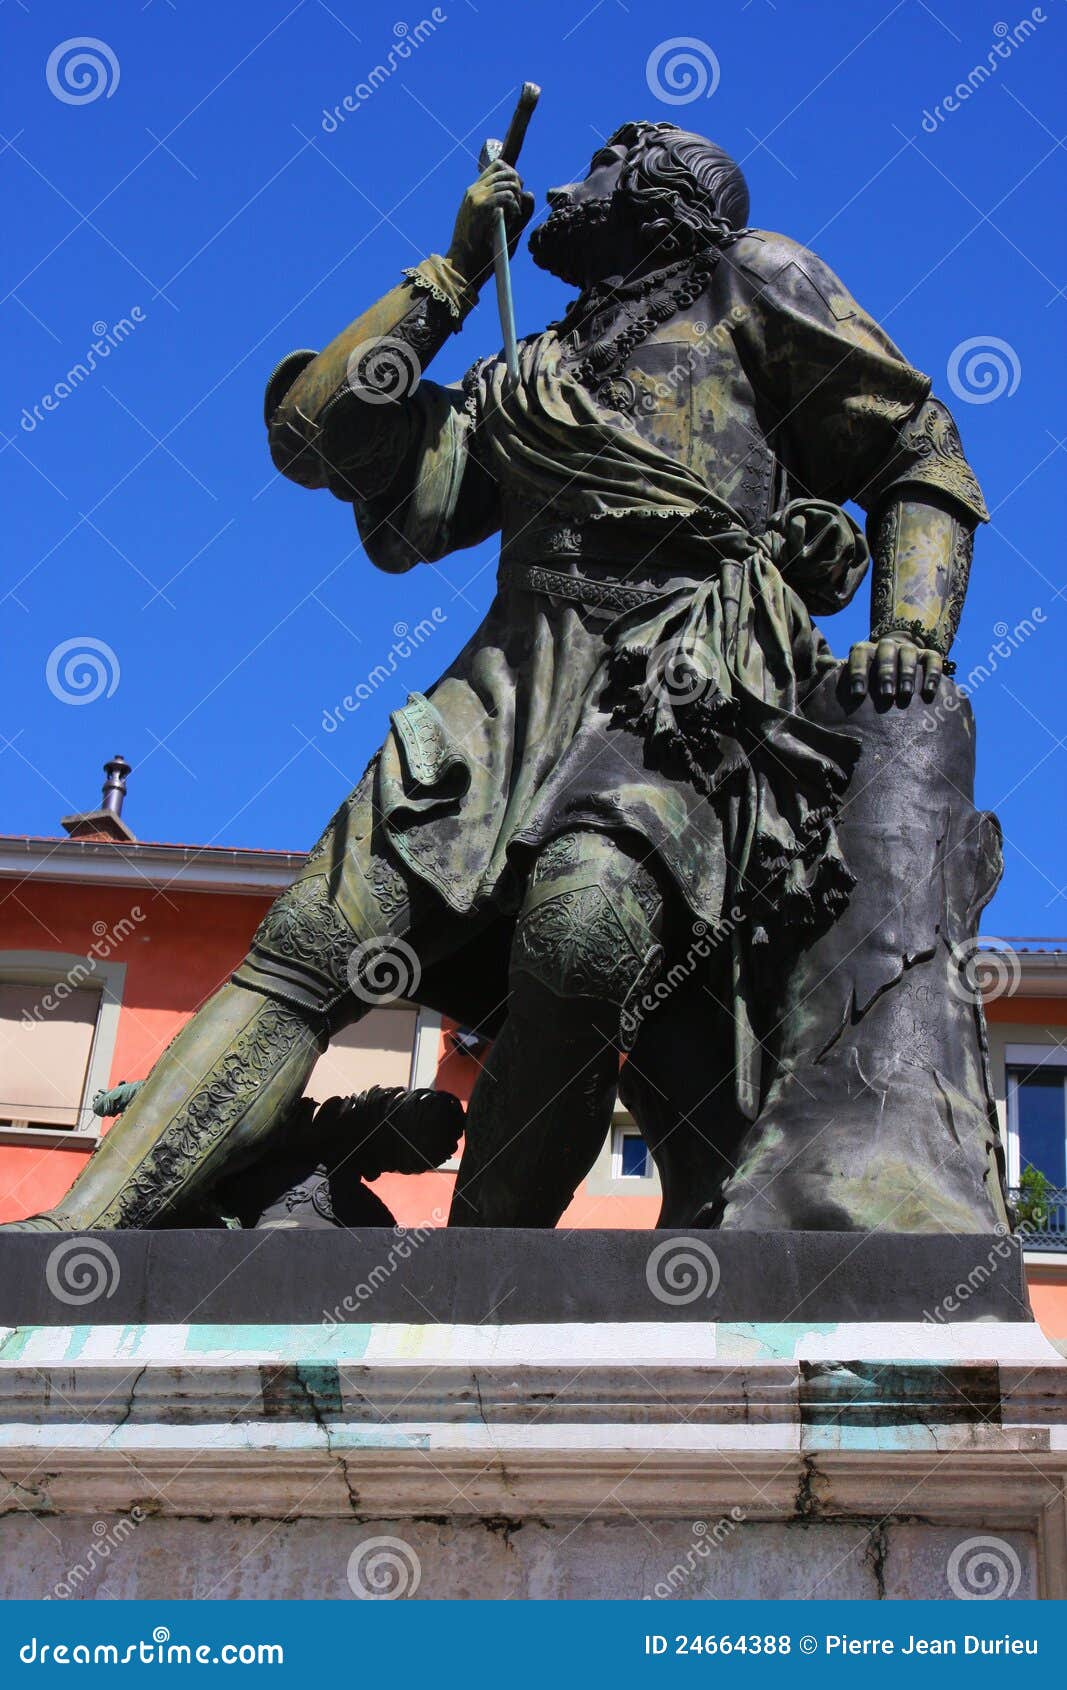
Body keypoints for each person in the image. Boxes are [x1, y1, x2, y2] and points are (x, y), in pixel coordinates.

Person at [5, 122, 985, 1232]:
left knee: (580, 935)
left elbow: (917, 446)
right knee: (310, 948)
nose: (569, 176)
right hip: (500, 694)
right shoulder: (524, 373)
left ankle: (475, 1272)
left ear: (668, 197)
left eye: (610, 157)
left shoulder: (748, 277)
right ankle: (69, 1232)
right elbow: (317, 431)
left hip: (681, 686)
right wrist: (455, 269)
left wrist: (911, 626)